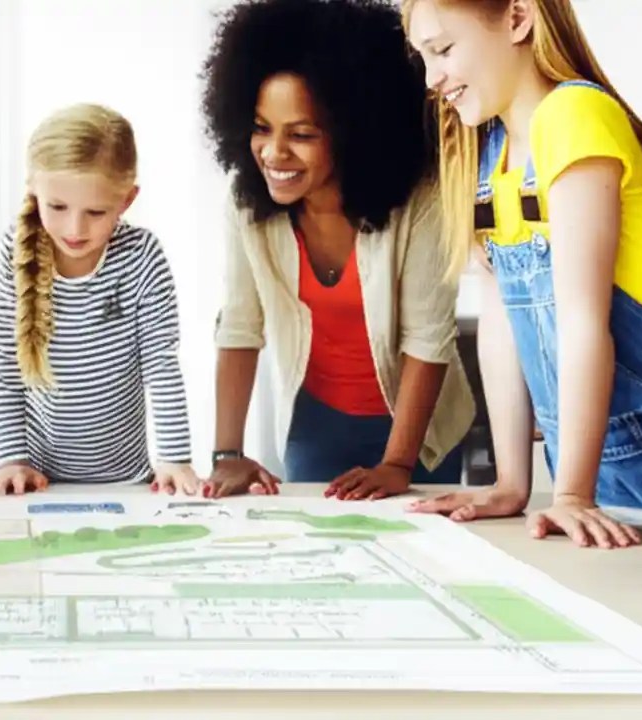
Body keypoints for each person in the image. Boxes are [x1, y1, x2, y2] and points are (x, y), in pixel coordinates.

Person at [403, 0, 642, 551]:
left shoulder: (572, 115)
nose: (433, 78)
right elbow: (504, 324)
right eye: (424, 58)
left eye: (443, 50)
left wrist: (572, 494)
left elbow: (582, 318)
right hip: (606, 481)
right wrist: (512, 483)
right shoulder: (491, 154)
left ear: (517, 18)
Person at [201, 0, 475, 500]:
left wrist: (396, 463)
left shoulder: (423, 198)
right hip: (316, 423)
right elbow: (240, 325)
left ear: (353, 134)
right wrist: (227, 455)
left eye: (301, 134)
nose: (274, 153)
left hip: (421, 431)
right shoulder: (247, 203)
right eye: (262, 128)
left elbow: (428, 340)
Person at [0, 103, 199, 495]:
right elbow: (3, 372)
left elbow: (161, 365)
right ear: (33, 188)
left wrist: (174, 459)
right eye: (58, 207)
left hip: (128, 482)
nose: (75, 229)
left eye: (96, 212)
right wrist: (12, 463)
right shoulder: (9, 255)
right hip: (39, 480)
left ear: (127, 200)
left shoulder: (142, 256)